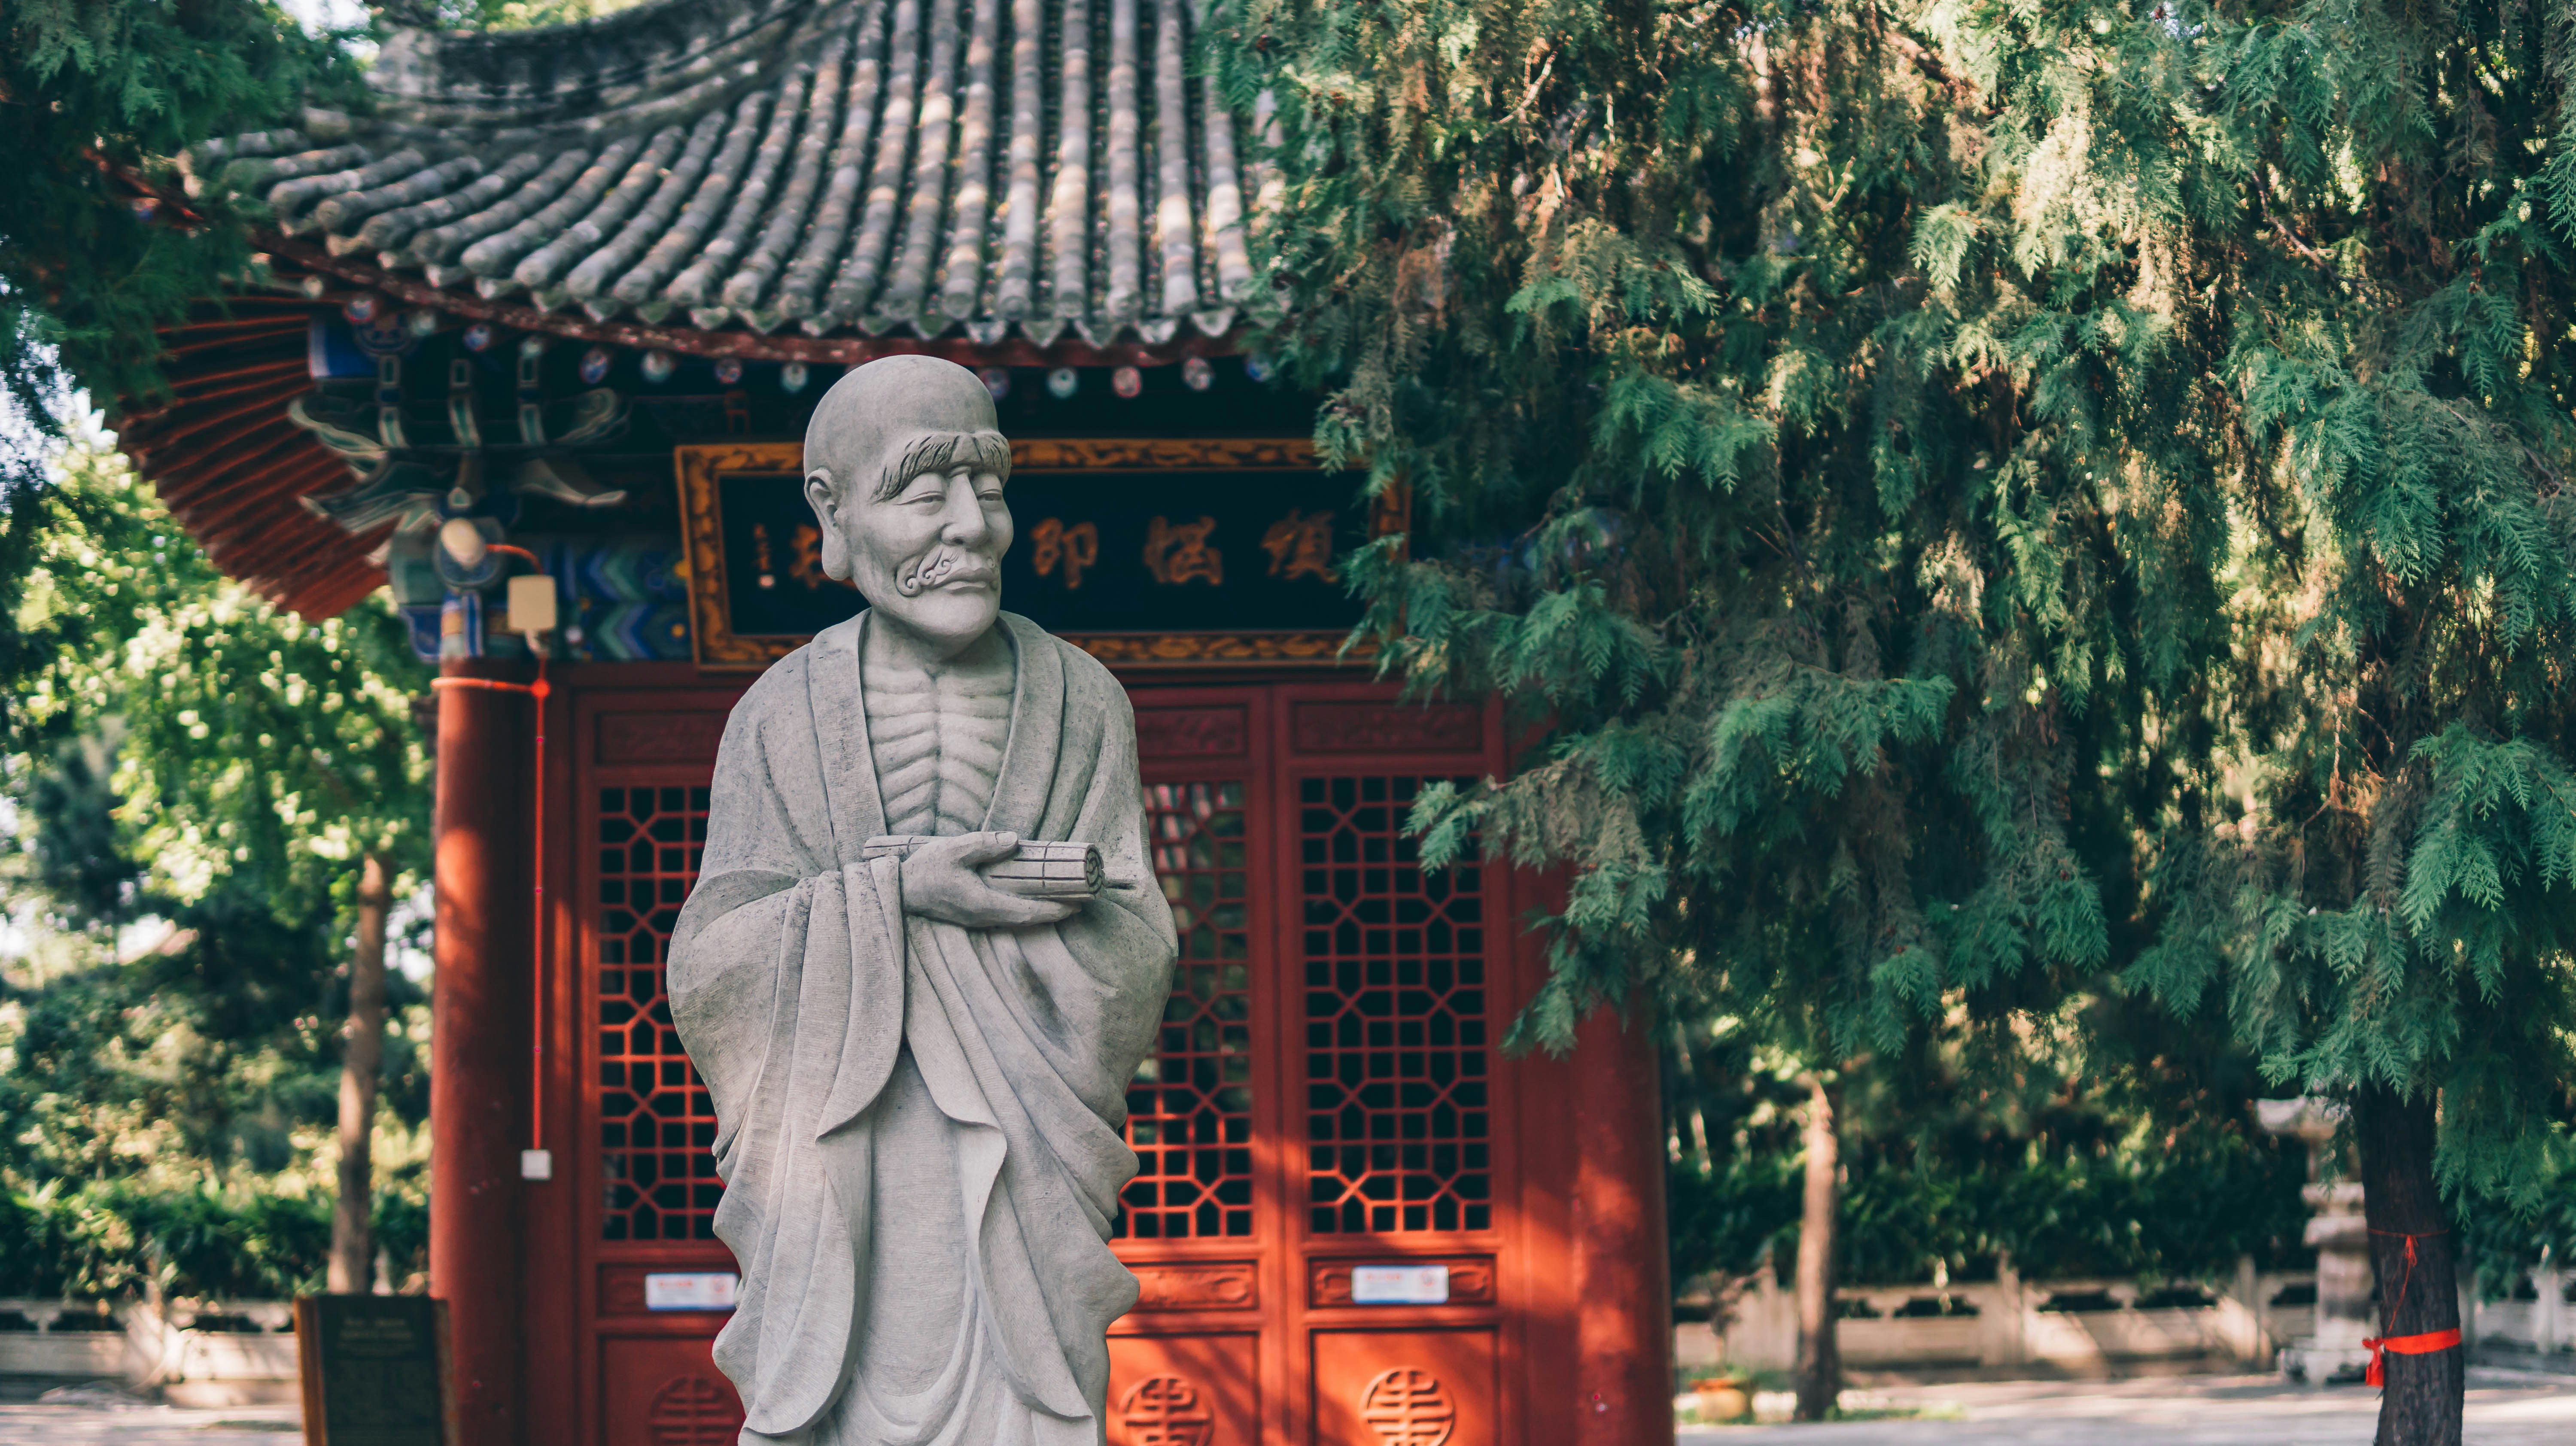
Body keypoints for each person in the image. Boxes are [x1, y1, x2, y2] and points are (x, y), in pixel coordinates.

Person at [669, 355, 1177, 1446]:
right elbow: (710, 963)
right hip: (852, 1154)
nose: (971, 524)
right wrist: (896, 895)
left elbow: (1140, 941)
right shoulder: (777, 717)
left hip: (1028, 1149)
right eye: (921, 488)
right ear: (832, 508)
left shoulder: (1085, 701)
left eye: (989, 487)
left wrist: (1039, 911)